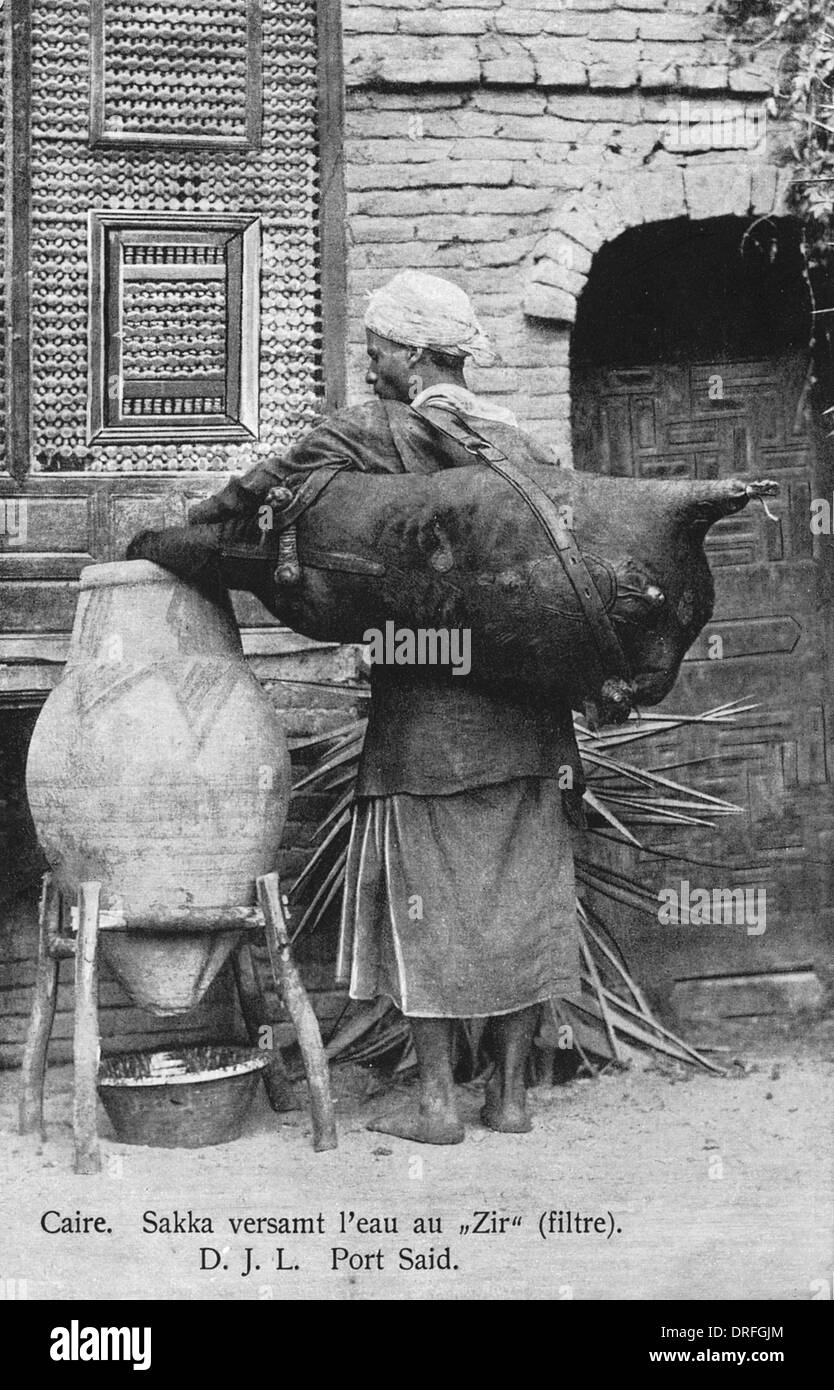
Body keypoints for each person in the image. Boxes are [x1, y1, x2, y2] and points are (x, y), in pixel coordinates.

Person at [142, 272, 584, 1144]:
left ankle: (434, 1106)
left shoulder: (365, 432)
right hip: (531, 728)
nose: (369, 361)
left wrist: (178, 533)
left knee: (426, 913)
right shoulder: (520, 449)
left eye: (378, 347)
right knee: (525, 908)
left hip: (421, 731)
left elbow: (249, 498)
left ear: (414, 354)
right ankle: (512, 1099)